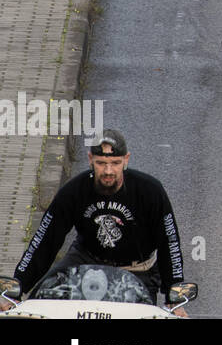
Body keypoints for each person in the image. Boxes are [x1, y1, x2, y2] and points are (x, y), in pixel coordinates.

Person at [2, 131, 190, 315]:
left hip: (138, 269)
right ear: (91, 159)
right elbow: (45, 238)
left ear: (126, 159)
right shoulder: (74, 191)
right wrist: (18, 287)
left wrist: (175, 297)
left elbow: (169, 243)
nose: (108, 171)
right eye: (101, 163)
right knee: (42, 296)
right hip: (85, 260)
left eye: (115, 163)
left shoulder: (150, 191)